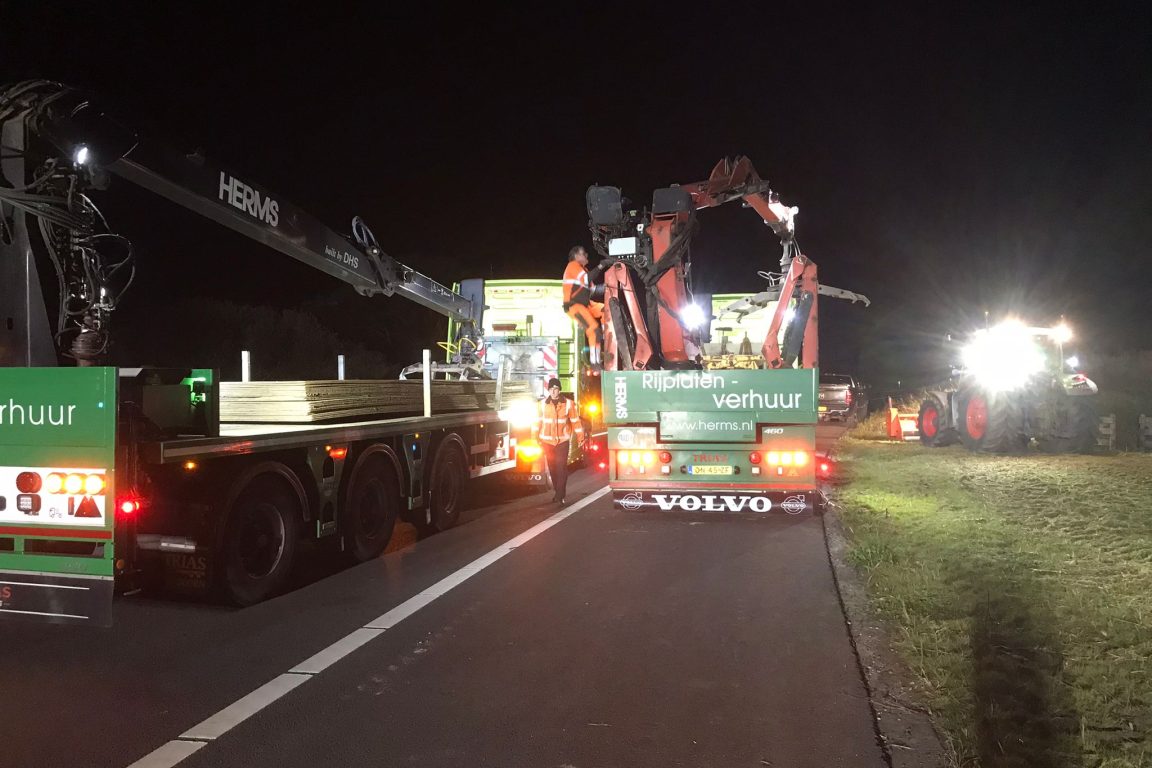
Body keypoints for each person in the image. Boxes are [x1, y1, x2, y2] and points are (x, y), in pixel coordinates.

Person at [533, 377, 584, 505]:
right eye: (551, 389)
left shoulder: (568, 404)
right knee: (552, 468)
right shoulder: (542, 405)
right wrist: (535, 437)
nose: (554, 392)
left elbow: (575, 422)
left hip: (562, 441)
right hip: (547, 442)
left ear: (559, 390)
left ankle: (560, 495)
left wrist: (580, 437)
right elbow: (536, 423)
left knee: (561, 468)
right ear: (548, 390)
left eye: (556, 389)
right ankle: (558, 491)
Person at [562, 246, 604, 367]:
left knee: (605, 309)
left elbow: (594, 289)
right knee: (593, 329)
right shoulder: (573, 265)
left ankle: (606, 336)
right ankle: (594, 361)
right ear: (576, 256)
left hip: (585, 305)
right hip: (574, 306)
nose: (586, 255)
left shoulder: (583, 270)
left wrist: (608, 286)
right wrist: (601, 266)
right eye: (583, 253)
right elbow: (587, 279)